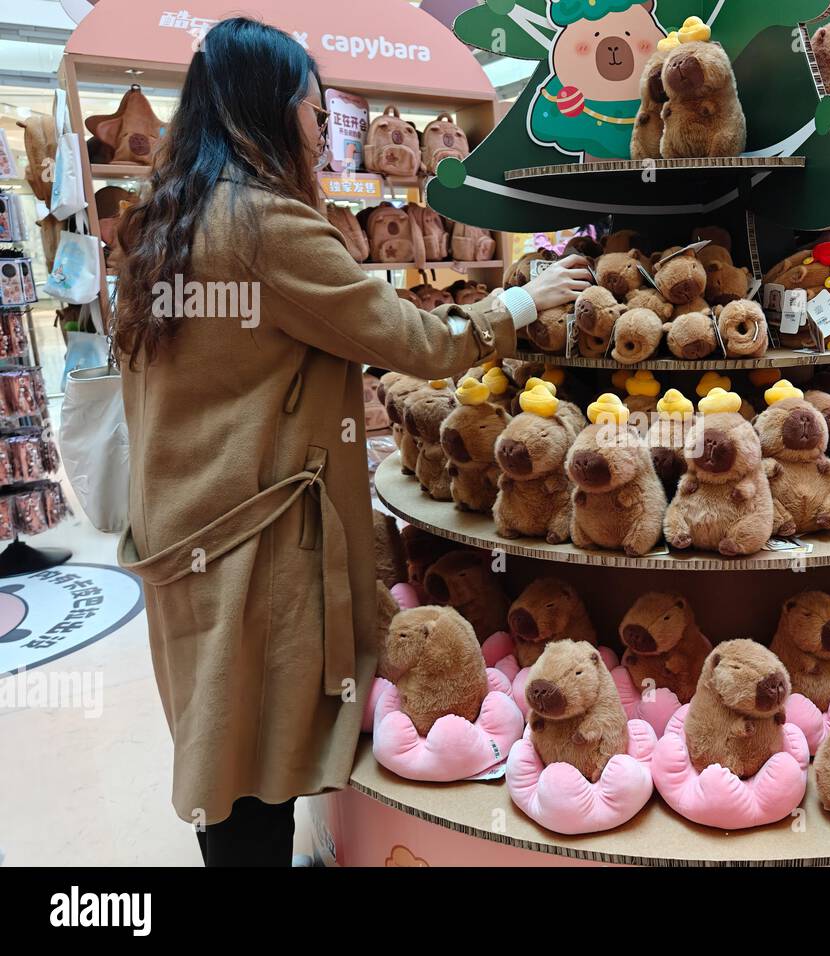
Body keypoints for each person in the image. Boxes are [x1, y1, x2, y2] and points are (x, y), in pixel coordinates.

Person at [111, 18, 591, 865]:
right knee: (256, 757)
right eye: (312, 107)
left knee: (222, 734)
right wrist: (525, 300)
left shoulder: (164, 217)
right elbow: (415, 341)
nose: (317, 128)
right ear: (273, 110)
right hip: (252, 531)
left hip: (184, 520)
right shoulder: (265, 226)